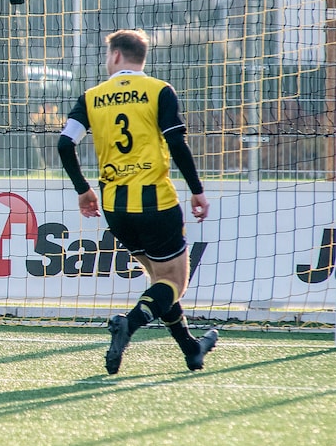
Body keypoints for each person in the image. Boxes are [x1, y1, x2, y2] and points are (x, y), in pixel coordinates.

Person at [55, 29, 218, 375]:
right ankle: (128, 324)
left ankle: (191, 349)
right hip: (156, 203)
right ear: (140, 58)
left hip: (115, 208)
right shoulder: (159, 91)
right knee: (174, 282)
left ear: (115, 56)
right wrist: (197, 190)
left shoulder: (92, 96)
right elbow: (176, 143)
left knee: (159, 280)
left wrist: (83, 190)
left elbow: (65, 144)